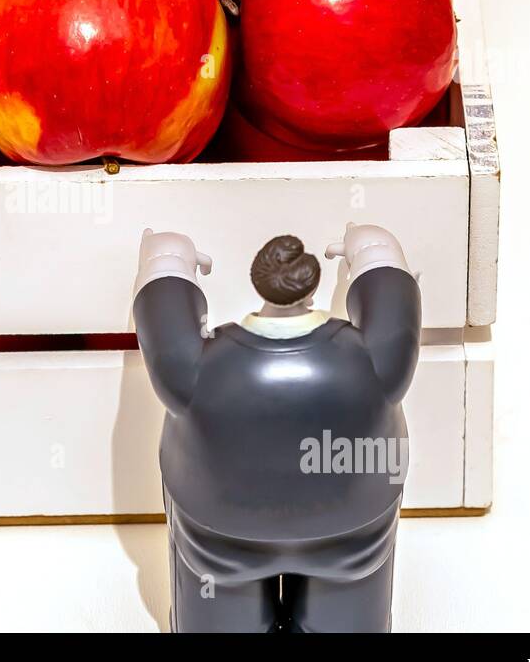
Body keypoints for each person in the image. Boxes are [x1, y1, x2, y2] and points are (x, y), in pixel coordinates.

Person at [133, 224, 421, 633]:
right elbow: (397, 312)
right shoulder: (371, 358)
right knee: (350, 620)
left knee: (218, 615)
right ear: (310, 289)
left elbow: (164, 328)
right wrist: (373, 247)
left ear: (259, 284)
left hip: (221, 537)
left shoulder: (199, 367)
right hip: (352, 529)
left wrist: (167, 258)